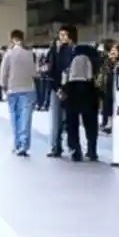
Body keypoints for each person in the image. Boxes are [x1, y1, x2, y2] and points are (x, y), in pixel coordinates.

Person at [61, 29, 101, 162]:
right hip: (88, 91)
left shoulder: (74, 59)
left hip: (72, 90)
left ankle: (75, 149)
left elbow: (67, 76)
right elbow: (90, 76)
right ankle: (92, 149)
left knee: (72, 123)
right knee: (90, 123)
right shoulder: (91, 60)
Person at [0, 29, 37, 157]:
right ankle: (23, 145)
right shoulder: (29, 54)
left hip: (12, 89)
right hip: (27, 89)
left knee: (15, 118)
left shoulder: (8, 54)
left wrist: (3, 85)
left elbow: (3, 72)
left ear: (12, 39)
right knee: (25, 118)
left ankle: (16, 144)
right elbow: (33, 72)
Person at [45, 26, 75, 158]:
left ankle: (72, 147)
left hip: (71, 89)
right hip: (57, 88)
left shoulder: (74, 50)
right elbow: (50, 70)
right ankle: (56, 147)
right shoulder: (54, 50)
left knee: (70, 119)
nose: (62, 37)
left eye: (65, 34)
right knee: (56, 120)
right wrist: (57, 88)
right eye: (60, 34)